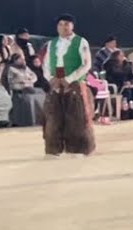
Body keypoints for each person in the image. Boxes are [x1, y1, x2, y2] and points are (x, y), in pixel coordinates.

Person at [40, 13, 96, 155]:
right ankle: (53, 149)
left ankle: (78, 149)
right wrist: (51, 78)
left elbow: (86, 64)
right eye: (60, 24)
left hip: (74, 82)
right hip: (55, 82)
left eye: (66, 24)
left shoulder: (81, 42)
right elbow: (46, 64)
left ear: (72, 26)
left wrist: (69, 79)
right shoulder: (52, 43)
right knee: (53, 117)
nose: (63, 27)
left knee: (76, 117)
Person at [103, 50, 133, 120]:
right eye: (120, 56)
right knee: (127, 92)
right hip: (116, 85)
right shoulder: (110, 65)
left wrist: (130, 82)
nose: (122, 57)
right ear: (115, 57)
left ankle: (132, 110)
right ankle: (124, 111)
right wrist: (123, 82)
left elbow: (132, 76)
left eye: (123, 55)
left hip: (127, 85)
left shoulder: (126, 65)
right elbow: (110, 77)